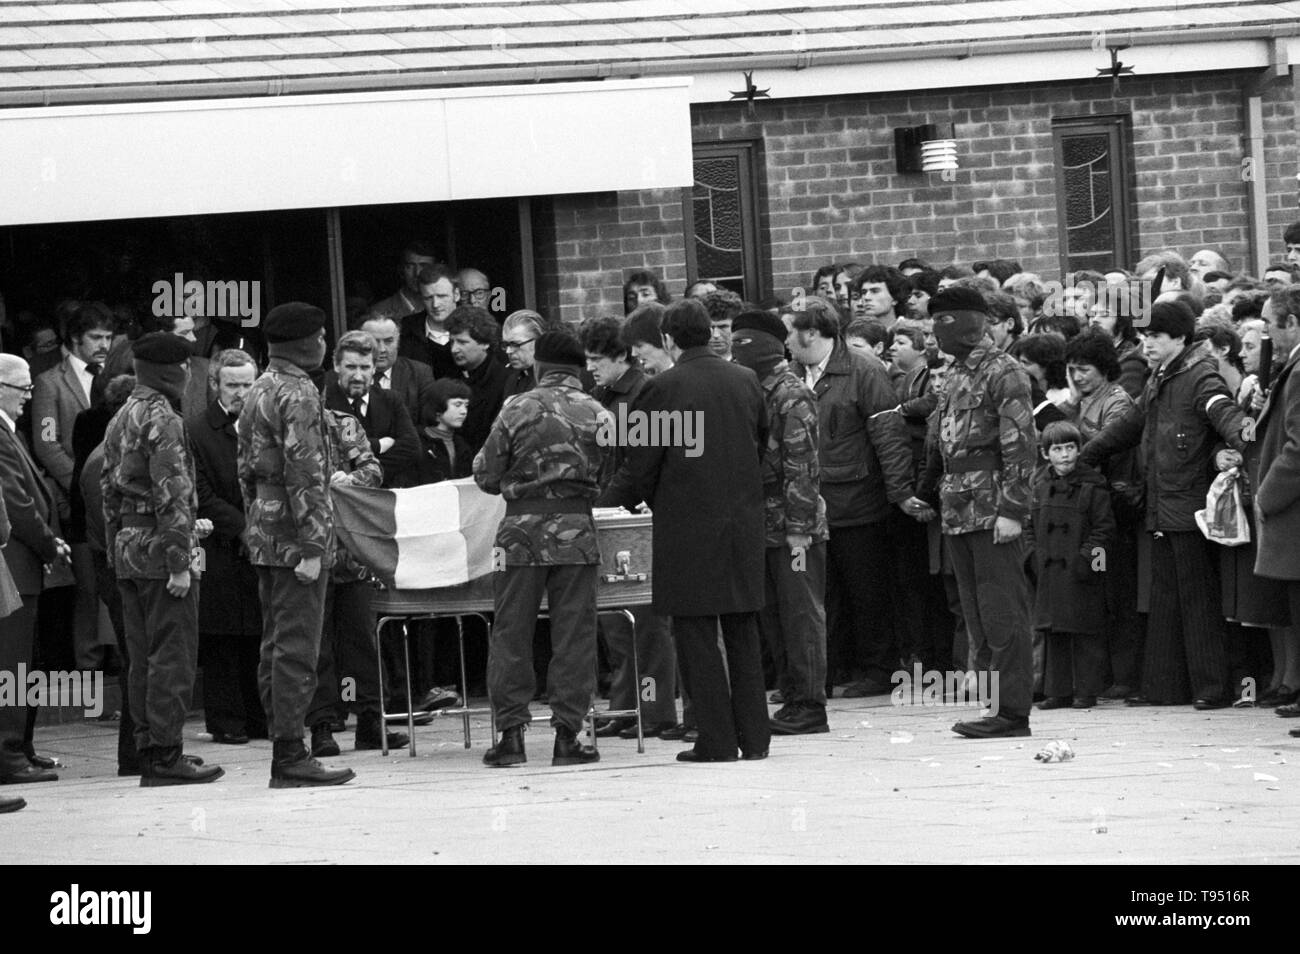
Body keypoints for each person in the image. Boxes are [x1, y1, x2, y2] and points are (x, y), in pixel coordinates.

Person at [602, 298, 771, 763]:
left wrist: (610, 505)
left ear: (669, 339)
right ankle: (755, 738)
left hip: (687, 526)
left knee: (696, 633)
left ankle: (715, 738)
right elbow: (762, 442)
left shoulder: (661, 388)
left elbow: (641, 466)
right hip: (743, 522)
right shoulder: (746, 379)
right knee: (742, 629)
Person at [1081, 300, 1248, 709]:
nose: (1147, 344)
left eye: (1155, 336)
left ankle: (1212, 689)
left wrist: (1245, 437)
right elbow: (1130, 426)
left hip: (1189, 508)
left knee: (1195, 602)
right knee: (1166, 601)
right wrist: (1088, 454)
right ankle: (1165, 688)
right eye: (1144, 336)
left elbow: (1222, 412)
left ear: (1179, 337)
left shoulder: (1199, 376)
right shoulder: (1162, 376)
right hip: (1163, 505)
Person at [473, 330, 610, 768]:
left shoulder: (517, 407)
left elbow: (485, 474)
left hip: (519, 532)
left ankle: (510, 737)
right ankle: (568, 737)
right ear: (581, 368)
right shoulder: (597, 412)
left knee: (511, 631)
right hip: (577, 531)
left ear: (539, 366)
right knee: (575, 634)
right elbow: (611, 471)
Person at [238, 302, 355, 788]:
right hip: (295, 535)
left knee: (274, 645)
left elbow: (244, 470)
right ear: (308, 343)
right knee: (297, 649)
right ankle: (290, 753)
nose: (326, 344)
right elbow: (306, 475)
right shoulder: (300, 392)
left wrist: (257, 523)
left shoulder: (258, 388)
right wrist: (313, 547)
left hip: (265, 530)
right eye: (323, 336)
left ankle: (284, 744)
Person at [101, 332, 223, 785]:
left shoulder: (120, 417)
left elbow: (108, 492)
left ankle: (149, 749)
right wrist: (179, 561)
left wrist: (118, 547)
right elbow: (173, 494)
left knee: (141, 658)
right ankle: (166, 754)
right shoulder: (164, 418)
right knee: (172, 655)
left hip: (130, 546)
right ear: (176, 371)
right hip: (161, 546)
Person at [918, 287, 1037, 739]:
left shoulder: (1005, 372)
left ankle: (1012, 712)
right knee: (977, 615)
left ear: (967, 323)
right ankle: (994, 704)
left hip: (992, 508)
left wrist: (1013, 509)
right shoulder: (954, 374)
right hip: (958, 507)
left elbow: (1021, 445)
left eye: (944, 322)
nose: (936, 332)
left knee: (1003, 610)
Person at [786, 294, 919, 697]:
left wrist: (900, 494)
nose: (786, 340)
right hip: (811, 505)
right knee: (821, 596)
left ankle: (878, 671)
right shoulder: (792, 374)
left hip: (858, 502)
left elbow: (888, 436)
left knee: (867, 592)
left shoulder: (864, 371)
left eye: (791, 331)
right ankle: (829, 672)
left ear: (811, 332)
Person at [729, 311, 829, 736]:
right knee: (773, 617)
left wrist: (799, 530)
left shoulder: (790, 395)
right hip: (763, 525)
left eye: (743, 343)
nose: (737, 350)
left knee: (801, 615)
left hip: (793, 529)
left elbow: (802, 466)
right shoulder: (752, 391)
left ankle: (809, 703)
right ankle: (791, 695)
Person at [582, 315, 680, 739]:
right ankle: (624, 707)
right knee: (616, 623)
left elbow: (638, 467)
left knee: (647, 621)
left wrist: (604, 504)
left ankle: (654, 711)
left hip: (632, 515)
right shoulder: (600, 395)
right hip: (610, 511)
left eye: (597, 359)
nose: (591, 367)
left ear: (621, 356)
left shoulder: (642, 394)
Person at [187, 349, 266, 746]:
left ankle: (259, 716)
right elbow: (199, 492)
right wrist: (243, 527)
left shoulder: (267, 423)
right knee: (221, 638)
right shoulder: (196, 430)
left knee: (259, 634)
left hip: (262, 546)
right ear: (215, 384)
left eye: (248, 383)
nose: (241, 392)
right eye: (233, 384)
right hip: (219, 545)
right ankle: (226, 720)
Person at [0, 353, 66, 785]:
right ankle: (8, 755)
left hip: (24, 565)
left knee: (25, 663)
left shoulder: (10, 431)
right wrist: (47, 541)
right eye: (21, 388)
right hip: (15, 566)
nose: (28, 396)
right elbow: (16, 502)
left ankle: (21, 746)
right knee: (11, 666)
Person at [1031, 421, 1115, 709]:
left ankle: (1086, 690)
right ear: (1046, 454)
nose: (1064, 455)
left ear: (1079, 450)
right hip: (1047, 569)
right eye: (1057, 449)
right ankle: (1057, 690)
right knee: (1054, 632)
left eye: (1070, 448)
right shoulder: (1039, 485)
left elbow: (1104, 530)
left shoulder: (1094, 485)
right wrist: (1031, 558)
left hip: (1082, 571)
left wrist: (1089, 560)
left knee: (1085, 633)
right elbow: (1029, 525)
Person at [1252, 286, 1300, 732]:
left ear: (1293, 323)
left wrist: (1266, 496)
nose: (1267, 332)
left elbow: (1298, 448)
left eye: (1271, 323)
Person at [322, 330, 420, 488]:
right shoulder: (323, 403)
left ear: (374, 368)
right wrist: (378, 445)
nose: (358, 376)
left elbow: (412, 449)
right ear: (336, 366)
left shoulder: (391, 400)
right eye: (351, 367)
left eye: (365, 367)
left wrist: (363, 472)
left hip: (386, 495)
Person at [446, 306, 508, 455]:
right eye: (452, 342)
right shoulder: (450, 377)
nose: (454, 349)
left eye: (462, 342)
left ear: (485, 343)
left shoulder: (504, 380)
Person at [399, 263, 460, 380]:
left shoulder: (477, 328)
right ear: (421, 298)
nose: (435, 304)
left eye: (442, 296)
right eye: (428, 298)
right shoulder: (404, 331)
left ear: (456, 295)